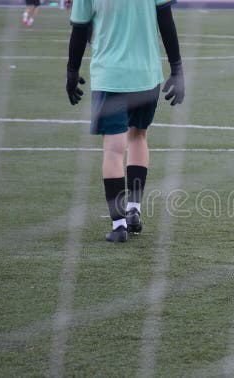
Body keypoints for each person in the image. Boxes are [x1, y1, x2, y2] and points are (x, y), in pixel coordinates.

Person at [67, 0, 185, 242]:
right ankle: (134, 210)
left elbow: (80, 29)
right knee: (139, 135)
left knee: (113, 149)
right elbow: (166, 20)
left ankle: (119, 225)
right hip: (146, 73)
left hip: (110, 76)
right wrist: (177, 68)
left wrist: (71, 71)